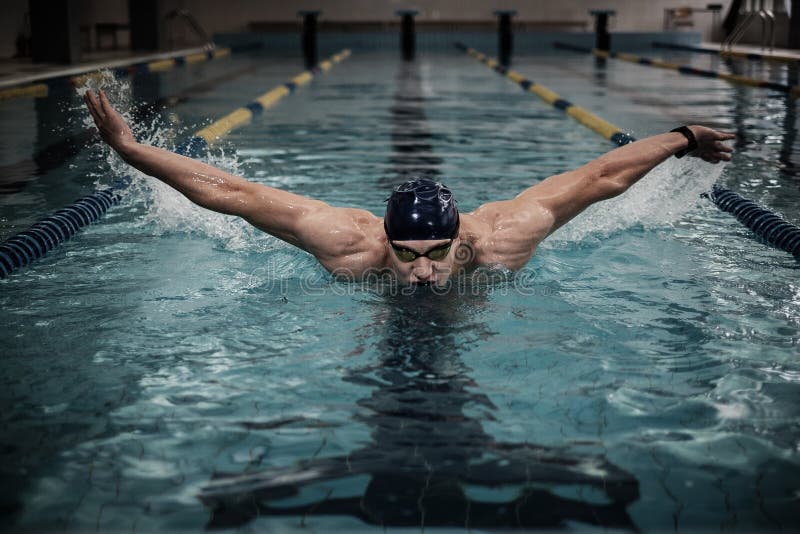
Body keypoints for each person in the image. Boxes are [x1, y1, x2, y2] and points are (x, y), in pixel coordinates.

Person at [84, 89, 734, 285]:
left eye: (435, 253)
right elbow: (227, 193)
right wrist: (130, 148)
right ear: (385, 240)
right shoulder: (347, 242)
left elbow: (601, 177)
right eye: (406, 254)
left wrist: (682, 135)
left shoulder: (505, 236)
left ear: (459, 240)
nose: (422, 272)